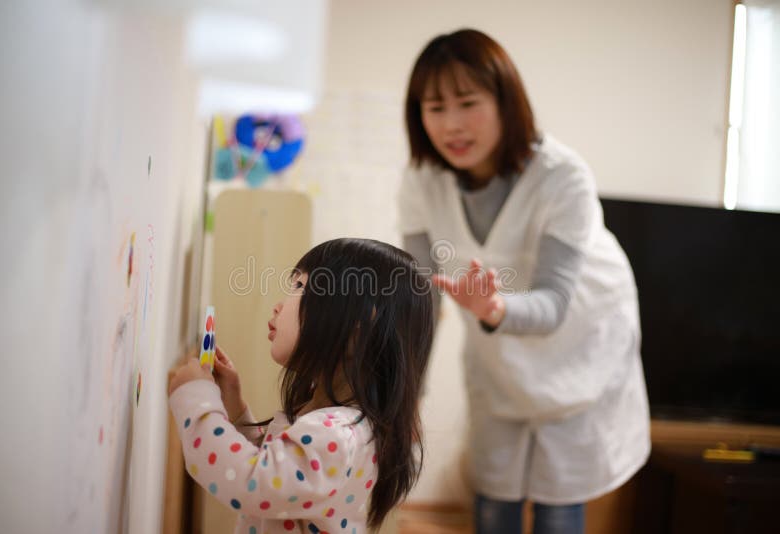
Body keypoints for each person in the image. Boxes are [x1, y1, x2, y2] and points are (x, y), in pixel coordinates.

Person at [398, 29, 651, 534]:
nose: (451, 125)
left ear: (505, 101)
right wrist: (406, 400)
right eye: (434, 107)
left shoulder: (563, 176)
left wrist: (492, 309)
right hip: (497, 345)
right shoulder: (421, 180)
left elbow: (556, 302)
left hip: (578, 341)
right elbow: (419, 302)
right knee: (493, 495)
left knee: (559, 503)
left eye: (467, 102)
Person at [168, 238, 434, 533]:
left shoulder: (336, 434)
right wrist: (234, 404)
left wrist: (196, 400)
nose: (279, 305)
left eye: (299, 288)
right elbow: (275, 471)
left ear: (357, 328)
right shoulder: (335, 421)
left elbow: (252, 482)